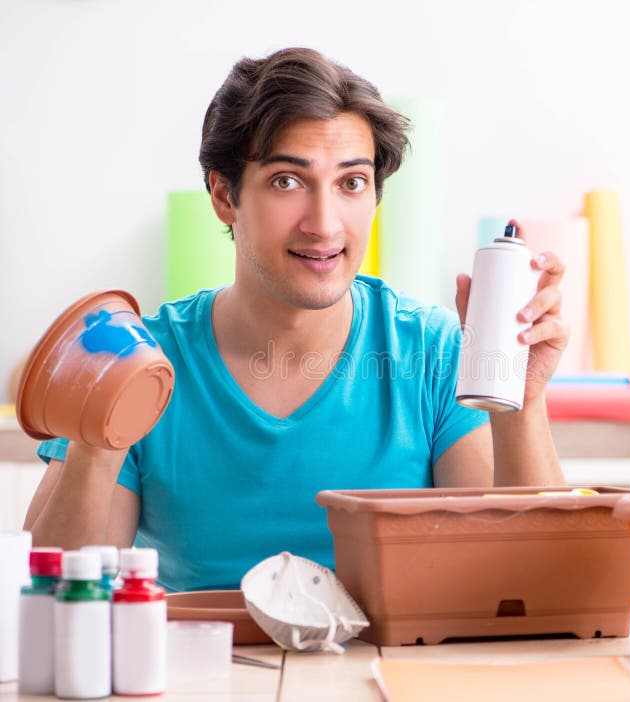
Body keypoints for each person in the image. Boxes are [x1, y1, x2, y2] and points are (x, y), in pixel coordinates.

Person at [24, 48, 568, 592]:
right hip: (204, 671)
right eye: (287, 181)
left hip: (387, 672)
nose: (325, 225)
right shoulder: (145, 362)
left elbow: (523, 584)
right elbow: (48, 596)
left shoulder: (432, 353)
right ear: (223, 196)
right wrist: (98, 436)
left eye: (351, 183)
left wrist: (522, 402)